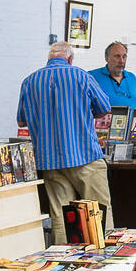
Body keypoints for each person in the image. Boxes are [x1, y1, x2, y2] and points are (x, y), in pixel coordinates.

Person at [17, 41, 114, 244]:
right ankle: (107, 258)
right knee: (99, 213)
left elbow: (21, 120)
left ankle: (63, 261)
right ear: (70, 59)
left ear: (49, 59)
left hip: (49, 160)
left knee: (61, 216)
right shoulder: (81, 76)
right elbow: (105, 107)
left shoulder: (29, 81)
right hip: (85, 156)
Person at [88, 41, 136, 109]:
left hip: (131, 119)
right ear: (106, 58)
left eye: (124, 57)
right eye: (117, 56)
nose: (121, 61)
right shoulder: (91, 76)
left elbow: (135, 102)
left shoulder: (132, 77)